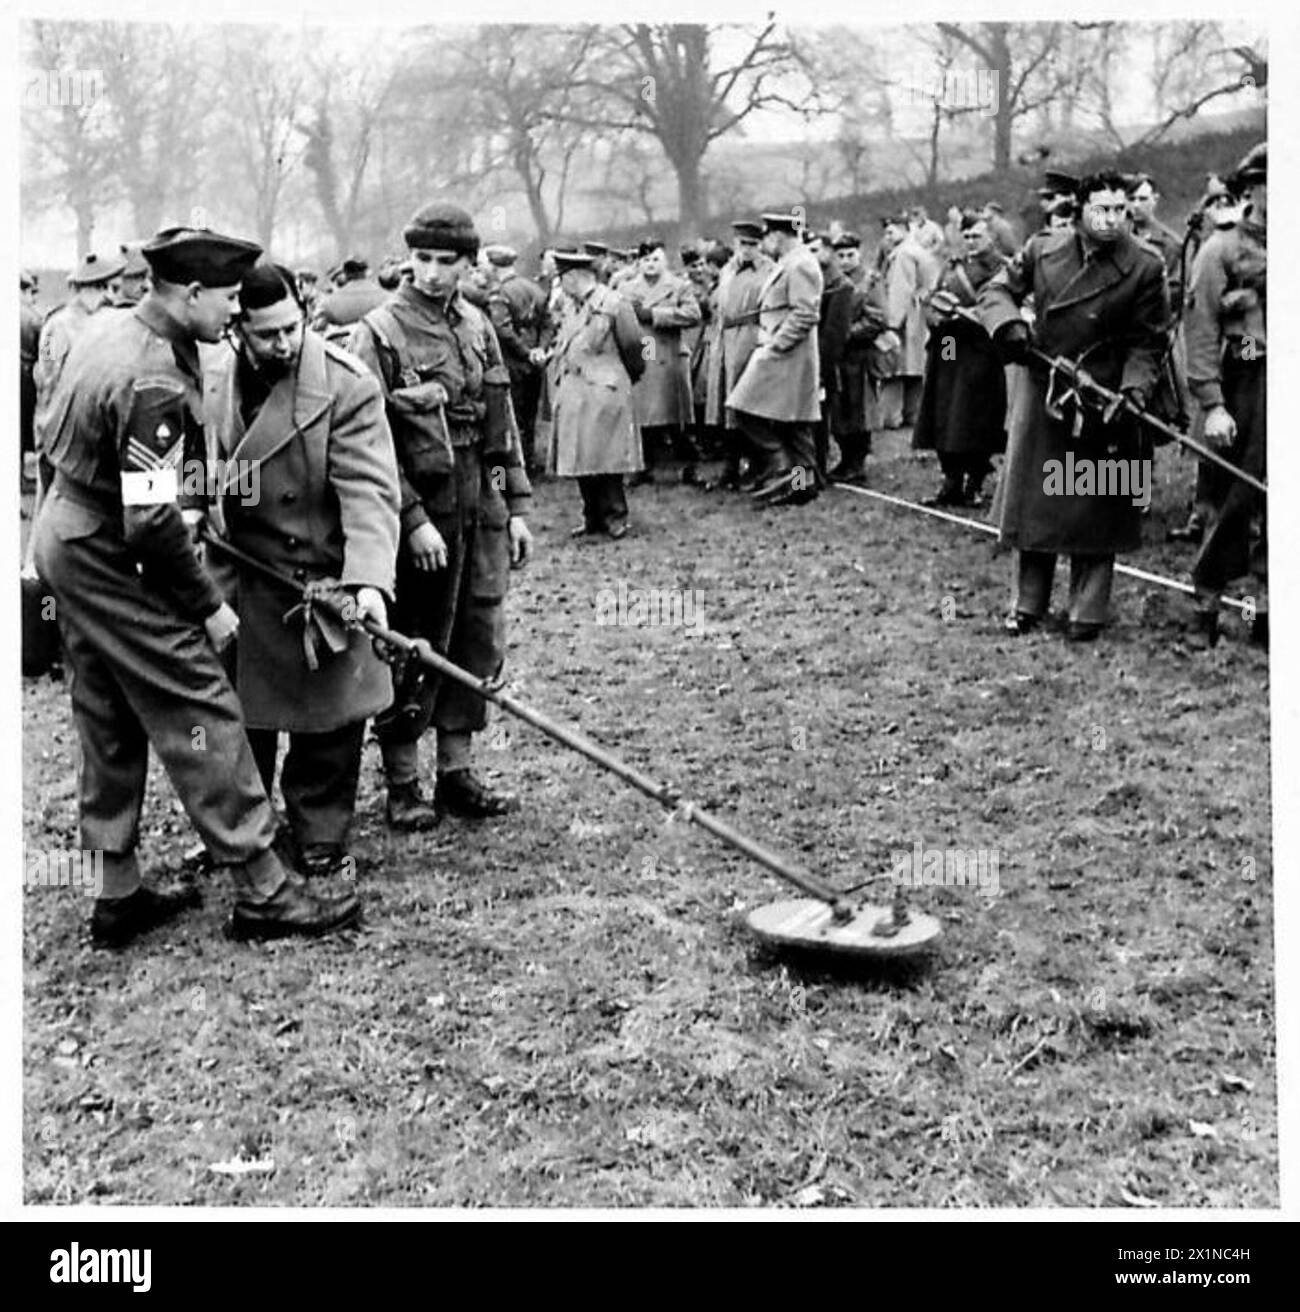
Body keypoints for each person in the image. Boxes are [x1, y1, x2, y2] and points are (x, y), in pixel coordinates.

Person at [32, 226, 360, 945]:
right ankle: (264, 890)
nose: (236, 315)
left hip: (69, 534)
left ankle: (115, 892)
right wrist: (207, 608)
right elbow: (151, 521)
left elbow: (52, 438)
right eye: (231, 299)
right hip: (107, 551)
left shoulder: (111, 331)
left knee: (108, 708)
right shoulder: (153, 377)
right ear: (191, 293)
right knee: (200, 702)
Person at [203, 262, 401, 877]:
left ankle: (320, 829)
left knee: (328, 717)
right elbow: (195, 467)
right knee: (235, 720)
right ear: (238, 329)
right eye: (267, 335)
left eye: (293, 327)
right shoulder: (209, 379)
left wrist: (368, 580)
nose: (284, 344)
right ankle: (243, 831)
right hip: (237, 578)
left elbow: (369, 491)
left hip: (314, 580)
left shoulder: (346, 385)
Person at [348, 203, 534, 831]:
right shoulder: (377, 332)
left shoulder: (479, 327)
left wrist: (514, 509)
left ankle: (457, 774)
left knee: (475, 638)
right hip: (415, 518)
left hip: (479, 505)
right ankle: (404, 785)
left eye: (444, 261)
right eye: (421, 259)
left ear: (466, 263)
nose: (429, 272)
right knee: (409, 640)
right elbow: (364, 446)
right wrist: (412, 516)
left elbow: (500, 431)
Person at [977, 171, 1168, 642]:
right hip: (1046, 391)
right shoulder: (1043, 250)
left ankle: (1088, 610)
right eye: (1101, 209)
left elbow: (1149, 341)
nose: (1111, 219)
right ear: (1080, 211)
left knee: (1097, 505)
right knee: (1037, 502)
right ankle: (1027, 604)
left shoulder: (1145, 266)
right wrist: (1008, 328)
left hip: (1105, 399)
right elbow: (995, 291)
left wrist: (1134, 391)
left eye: (1120, 210)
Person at [1184, 143, 1267, 649]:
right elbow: (1200, 329)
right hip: (1247, 382)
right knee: (1236, 492)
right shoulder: (1222, 249)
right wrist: (1212, 404)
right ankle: (1205, 604)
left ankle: (1271, 611)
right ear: (1252, 190)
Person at [726, 211, 824, 506]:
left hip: (787, 354)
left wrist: (776, 346)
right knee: (794, 423)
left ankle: (781, 468)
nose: (765, 242)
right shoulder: (791, 262)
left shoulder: (801, 264)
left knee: (742, 408)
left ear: (778, 235)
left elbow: (806, 313)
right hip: (787, 354)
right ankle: (801, 485)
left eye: (767, 236)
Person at [547, 248, 646, 538]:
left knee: (608, 455)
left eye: (561, 278)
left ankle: (615, 515)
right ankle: (592, 516)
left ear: (574, 277)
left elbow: (635, 347)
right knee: (579, 456)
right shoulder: (571, 306)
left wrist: (627, 377)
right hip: (575, 388)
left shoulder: (614, 303)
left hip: (606, 387)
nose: (560, 285)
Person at [913, 213, 1008, 506]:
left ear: (991, 237)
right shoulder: (954, 266)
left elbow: (1001, 310)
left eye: (977, 236)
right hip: (950, 345)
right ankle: (951, 480)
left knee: (973, 418)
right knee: (944, 411)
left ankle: (975, 483)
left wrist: (967, 317)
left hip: (980, 351)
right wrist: (935, 318)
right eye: (966, 236)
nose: (970, 242)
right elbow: (935, 299)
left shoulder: (1001, 270)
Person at [619, 238, 703, 484]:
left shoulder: (679, 286)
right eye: (645, 260)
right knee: (644, 413)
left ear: (664, 261)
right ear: (638, 263)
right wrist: (630, 314)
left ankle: (690, 466)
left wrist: (655, 314)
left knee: (676, 417)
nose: (650, 265)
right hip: (645, 349)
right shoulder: (626, 289)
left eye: (655, 259)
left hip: (671, 354)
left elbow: (693, 315)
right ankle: (642, 466)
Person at [704, 220, 772, 490]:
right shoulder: (728, 270)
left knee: (747, 404)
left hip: (749, 338)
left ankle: (756, 467)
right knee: (724, 405)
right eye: (743, 244)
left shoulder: (768, 271)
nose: (747, 249)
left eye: (753, 244)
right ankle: (730, 467)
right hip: (724, 339)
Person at [483, 243, 550, 475]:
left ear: (494, 266)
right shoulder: (533, 288)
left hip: (513, 362)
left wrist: (525, 352)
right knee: (529, 416)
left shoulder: (498, 293)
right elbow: (548, 323)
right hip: (535, 362)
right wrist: (539, 349)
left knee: (513, 416)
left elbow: (502, 329)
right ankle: (530, 462)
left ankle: (519, 467)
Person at [826, 231, 884, 484]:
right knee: (839, 409)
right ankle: (846, 458)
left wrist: (846, 334)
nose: (846, 260)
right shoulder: (833, 282)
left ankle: (857, 462)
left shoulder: (869, 281)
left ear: (859, 254)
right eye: (841, 255)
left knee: (858, 410)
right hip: (838, 357)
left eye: (851, 254)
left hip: (859, 355)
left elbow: (877, 318)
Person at [879, 212, 938, 429]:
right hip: (920, 313)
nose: (887, 235)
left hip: (907, 316)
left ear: (904, 229)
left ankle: (890, 417)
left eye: (891, 231)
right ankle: (914, 415)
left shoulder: (903, 255)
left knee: (894, 369)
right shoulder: (919, 250)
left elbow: (900, 291)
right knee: (915, 368)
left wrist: (891, 324)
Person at [809, 232, 853, 480]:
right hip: (805, 361)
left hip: (822, 365)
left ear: (828, 252)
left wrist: (820, 370)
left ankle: (815, 474)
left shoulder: (840, 286)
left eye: (816, 250)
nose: (811, 256)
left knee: (817, 424)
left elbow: (834, 336)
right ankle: (805, 476)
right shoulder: (813, 280)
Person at [312, 256, 386, 339]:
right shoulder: (385, 297)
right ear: (366, 272)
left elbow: (317, 329)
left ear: (346, 274)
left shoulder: (328, 302)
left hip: (346, 346)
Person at [20, 270, 42, 487]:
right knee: (23, 423)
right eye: (32, 292)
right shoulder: (34, 317)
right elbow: (47, 355)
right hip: (24, 376)